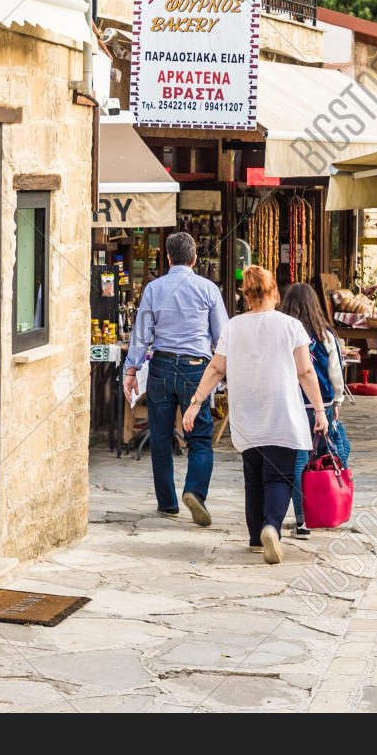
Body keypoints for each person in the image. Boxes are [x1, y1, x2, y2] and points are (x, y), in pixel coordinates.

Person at [181, 267, 327, 564]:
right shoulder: (291, 326)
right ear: (275, 292)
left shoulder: (233, 326)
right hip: (282, 412)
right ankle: (271, 527)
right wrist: (320, 409)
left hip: (248, 414)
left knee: (253, 476)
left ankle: (254, 538)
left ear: (246, 296)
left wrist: (196, 403)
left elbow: (215, 369)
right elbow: (305, 371)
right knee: (281, 476)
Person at [123, 232, 228, 525]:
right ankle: (194, 490)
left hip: (162, 367)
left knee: (160, 436)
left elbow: (141, 335)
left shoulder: (154, 289)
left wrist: (131, 371)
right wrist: (224, 374)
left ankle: (167, 503)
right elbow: (223, 337)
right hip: (197, 369)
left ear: (167, 258)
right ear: (194, 259)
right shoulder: (208, 289)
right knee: (201, 437)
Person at [278, 283, 345, 538]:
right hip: (321, 404)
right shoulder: (326, 335)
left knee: (297, 462)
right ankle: (320, 511)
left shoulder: (284, 333)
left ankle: (302, 520)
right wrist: (336, 401)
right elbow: (335, 371)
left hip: (289, 402)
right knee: (315, 460)